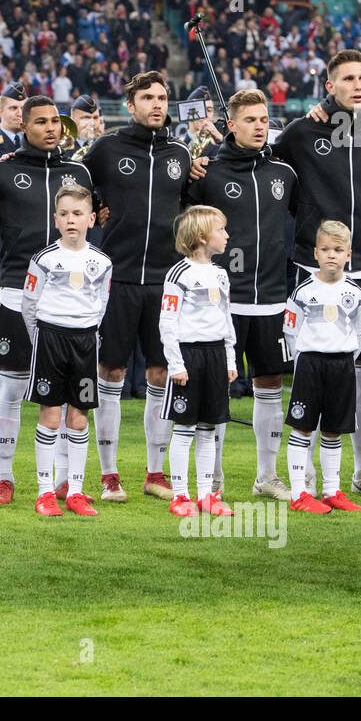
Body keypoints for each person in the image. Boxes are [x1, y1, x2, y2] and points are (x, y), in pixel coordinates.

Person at [280, 50, 361, 493]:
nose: (359, 85)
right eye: (348, 78)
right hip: (314, 266)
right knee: (311, 365)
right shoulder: (300, 132)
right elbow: (274, 179)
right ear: (329, 86)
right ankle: (305, 471)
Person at [0, 95, 94, 504]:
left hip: (68, 300)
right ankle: (4, 478)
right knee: (10, 388)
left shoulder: (78, 170)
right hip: (14, 289)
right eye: (40, 121)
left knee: (62, 394)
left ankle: (64, 481)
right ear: (23, 126)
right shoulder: (2, 172)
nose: (51, 128)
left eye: (55, 121)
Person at [83, 70, 192, 502]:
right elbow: (72, 189)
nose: (157, 104)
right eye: (147, 97)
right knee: (110, 372)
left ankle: (155, 472)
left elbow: (191, 198)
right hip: (117, 279)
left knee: (161, 373)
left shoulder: (181, 154)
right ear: (131, 105)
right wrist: (96, 210)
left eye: (162, 97)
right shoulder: (106, 148)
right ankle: (109, 474)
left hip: (165, 282)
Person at [185, 88, 296, 500]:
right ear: (230, 125)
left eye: (264, 120)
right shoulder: (206, 173)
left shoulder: (284, 174)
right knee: (216, 388)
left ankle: (267, 476)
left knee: (269, 384)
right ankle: (210, 480)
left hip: (271, 299)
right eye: (250, 120)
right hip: (221, 303)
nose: (259, 127)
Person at [22, 184, 112, 517]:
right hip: (50, 339)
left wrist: (87, 333)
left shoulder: (101, 262)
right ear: (55, 219)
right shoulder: (44, 259)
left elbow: (101, 303)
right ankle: (45, 491)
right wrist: (40, 339)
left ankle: (74, 490)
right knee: (50, 415)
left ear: (91, 218)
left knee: (78, 417)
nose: (71, 220)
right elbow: (29, 305)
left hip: (85, 342)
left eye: (77, 214)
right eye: (64, 214)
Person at [282, 220, 361, 514]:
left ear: (348, 254)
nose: (331, 254)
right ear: (315, 253)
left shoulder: (357, 293)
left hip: (342, 364)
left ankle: (332, 490)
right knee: (302, 428)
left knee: (334, 430)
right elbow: (290, 331)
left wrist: (343, 354)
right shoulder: (303, 291)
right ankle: (299, 493)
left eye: (338, 249)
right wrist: (305, 358)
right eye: (325, 249)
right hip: (310, 364)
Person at [159, 205, 236, 517]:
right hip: (189, 357)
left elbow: (226, 318)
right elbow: (168, 321)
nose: (227, 235)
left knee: (208, 428)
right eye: (221, 230)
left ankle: (206, 494)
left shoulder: (220, 274)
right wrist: (176, 363)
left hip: (216, 355)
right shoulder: (179, 274)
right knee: (185, 428)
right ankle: (180, 496)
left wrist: (229, 359)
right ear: (203, 236)